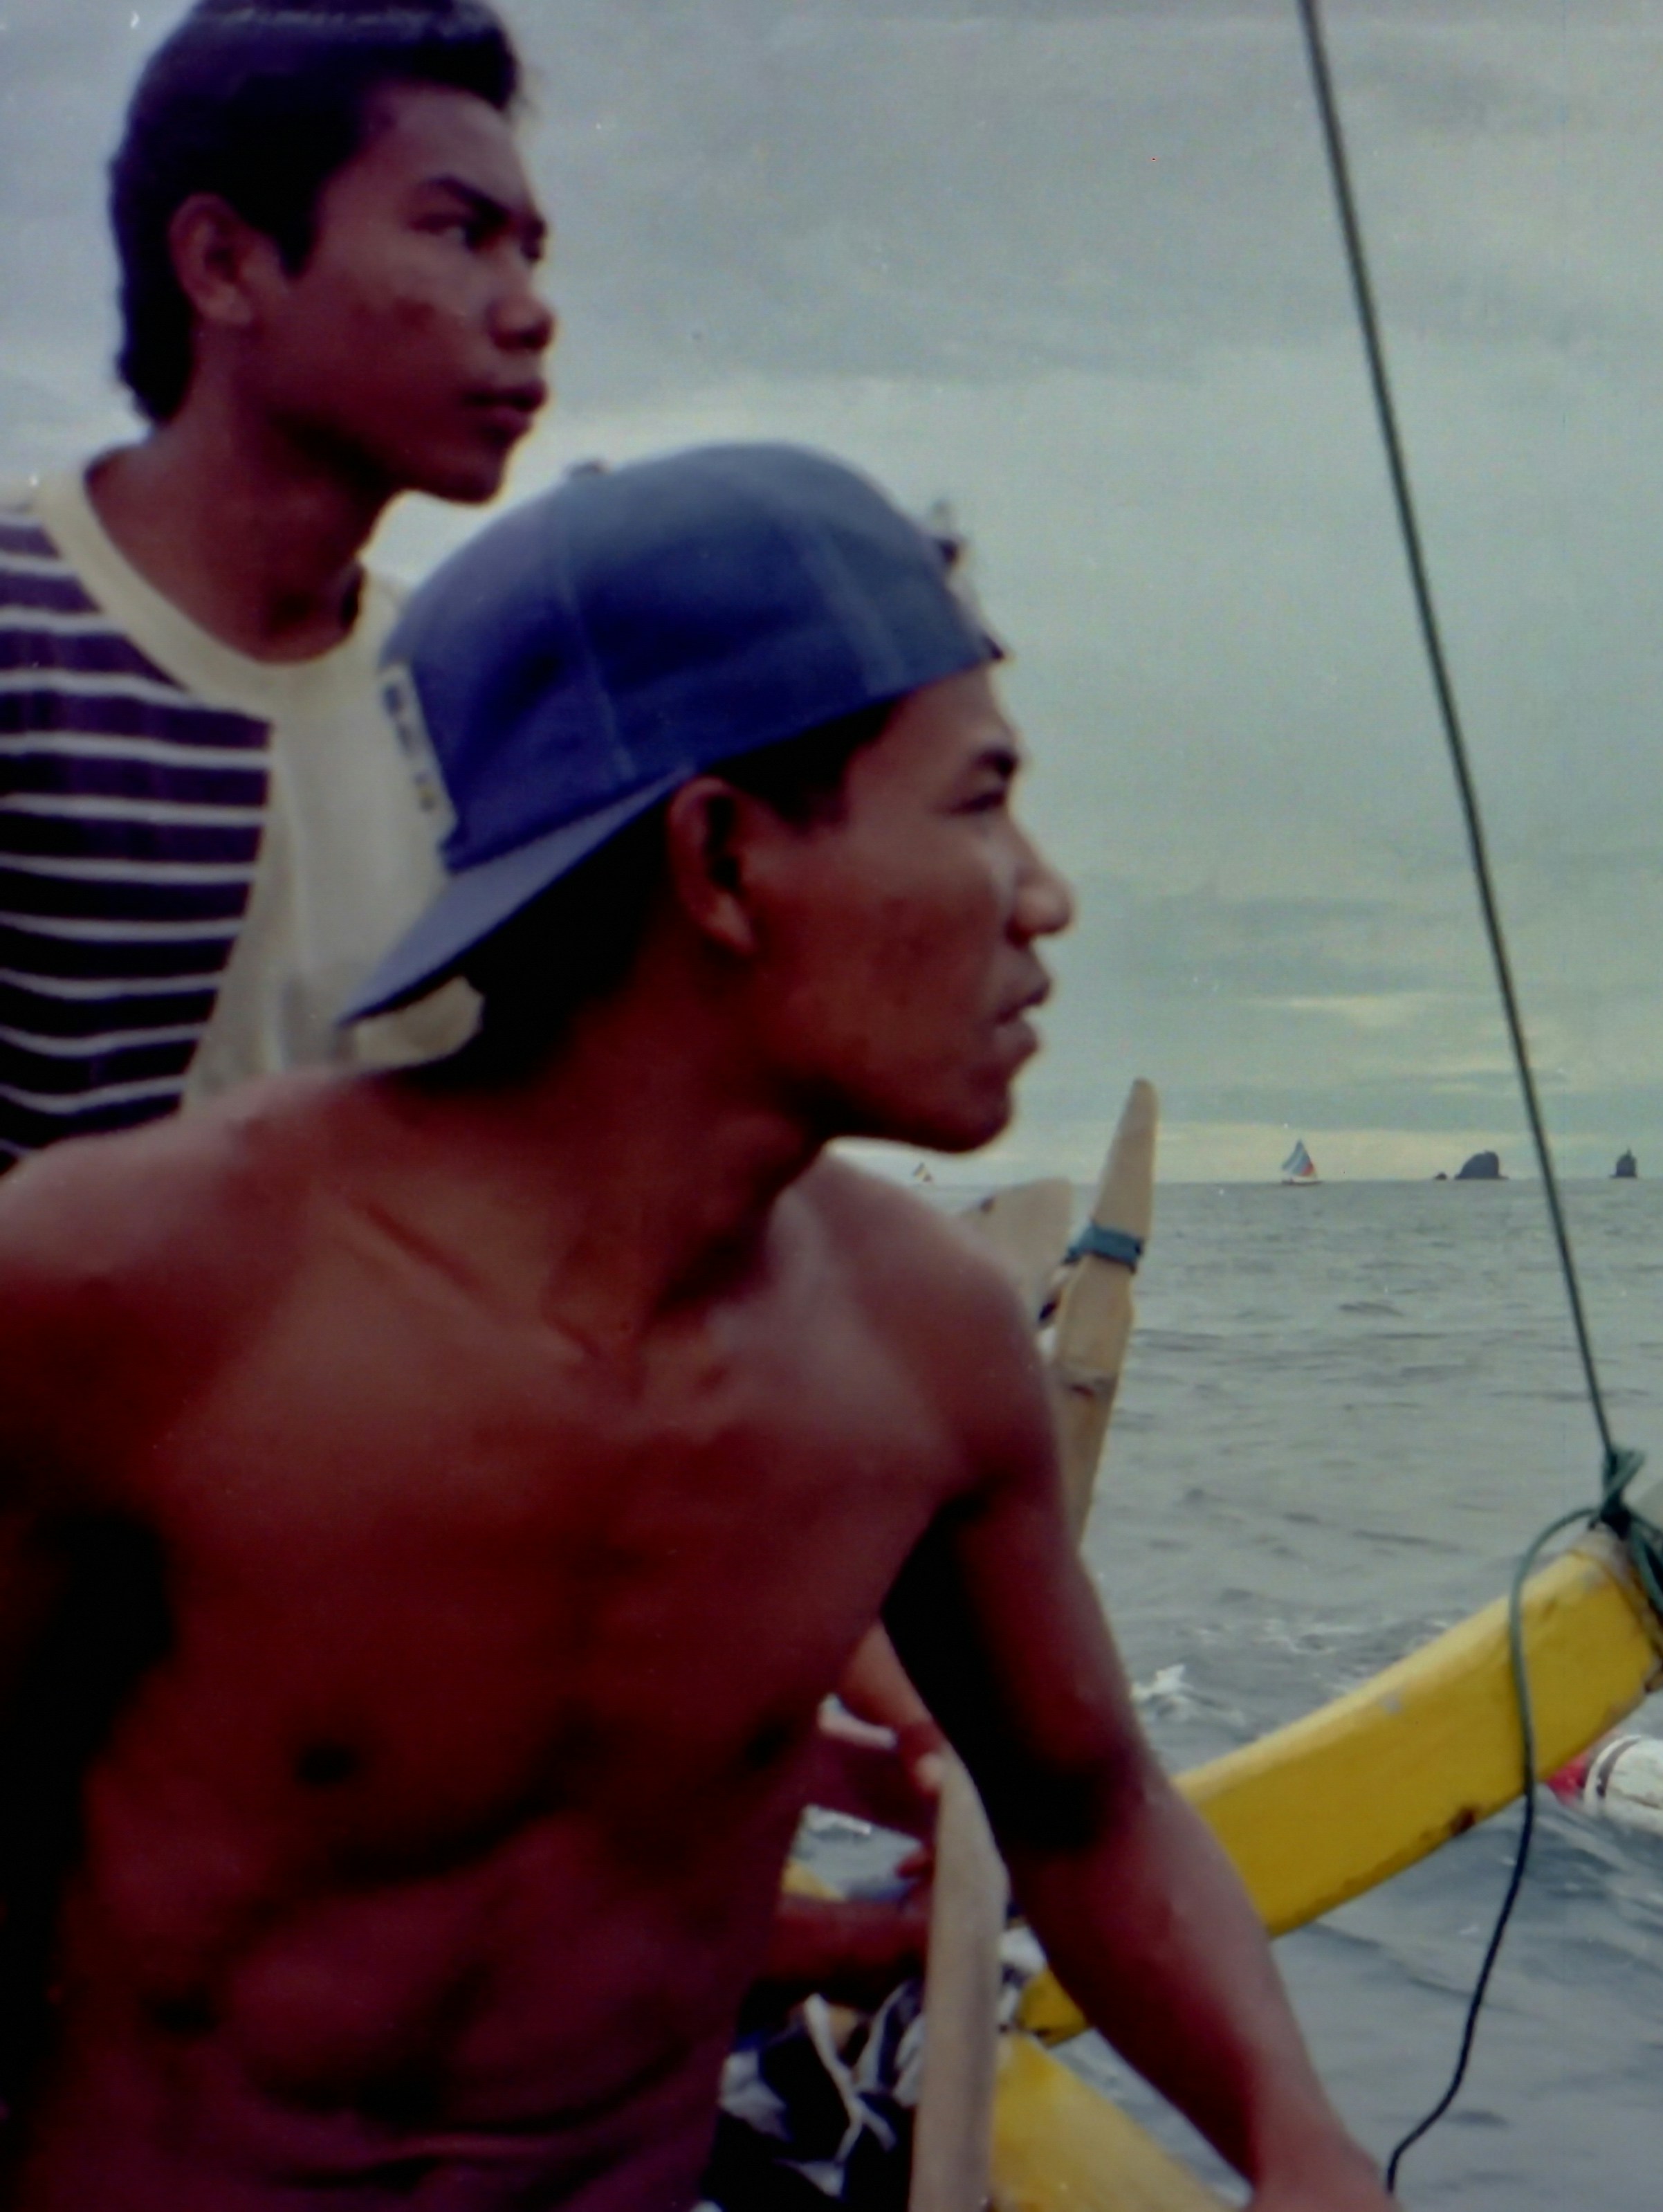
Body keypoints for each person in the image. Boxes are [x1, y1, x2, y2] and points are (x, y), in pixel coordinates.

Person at [0, 442, 1395, 2209]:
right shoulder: (130, 1297)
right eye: (977, 805)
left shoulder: (929, 1353)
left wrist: (1295, 2134)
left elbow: (1086, 1805)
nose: (1042, 897)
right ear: (723, 861)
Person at [3, 0, 557, 1168]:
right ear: (224, 262)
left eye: (529, 251)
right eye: (458, 232)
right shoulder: (25, 628)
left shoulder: (464, 698)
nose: (526, 310)